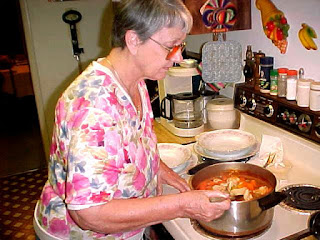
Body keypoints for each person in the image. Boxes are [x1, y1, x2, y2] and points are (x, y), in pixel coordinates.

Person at [33, 0, 230, 239]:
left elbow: (135, 142)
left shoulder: (135, 80)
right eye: (170, 46)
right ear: (134, 40)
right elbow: (88, 214)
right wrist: (180, 205)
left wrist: (157, 167)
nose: (178, 57)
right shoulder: (95, 106)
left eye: (181, 45)